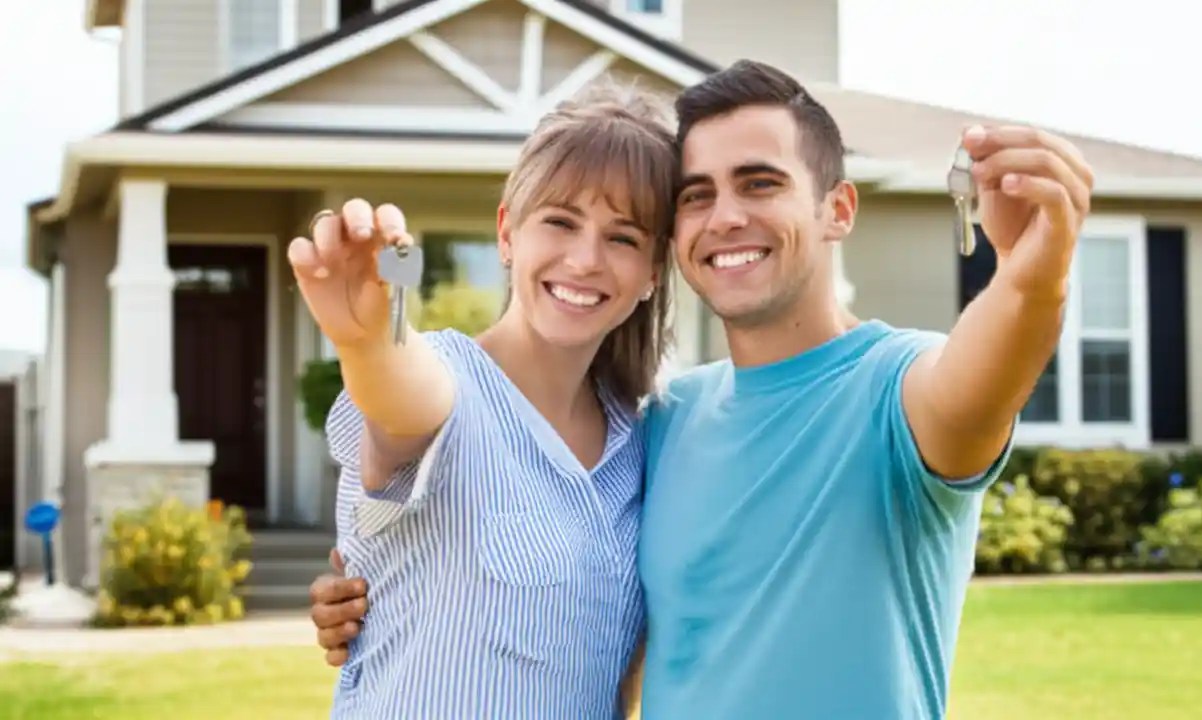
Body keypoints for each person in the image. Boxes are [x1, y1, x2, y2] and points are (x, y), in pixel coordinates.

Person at [310, 60, 1093, 719]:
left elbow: (981, 385)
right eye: (697, 196)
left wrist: (1035, 276)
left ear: (837, 209)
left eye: (759, 184)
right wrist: (367, 346)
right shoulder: (664, 423)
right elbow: (409, 403)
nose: (726, 217)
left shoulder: (900, 388)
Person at [289, 82, 678, 719]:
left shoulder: (643, 444)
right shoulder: (450, 383)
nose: (585, 259)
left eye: (624, 238)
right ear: (507, 233)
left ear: (654, 271)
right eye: (560, 221)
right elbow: (403, 399)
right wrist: (367, 341)